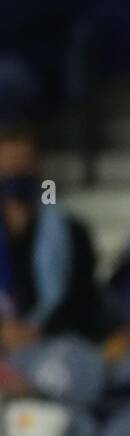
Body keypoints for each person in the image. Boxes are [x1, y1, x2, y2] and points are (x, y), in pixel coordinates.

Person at [0, 122, 100, 340]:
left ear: (38, 168)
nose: (14, 174)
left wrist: (36, 332)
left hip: (54, 342)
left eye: (22, 165)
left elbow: (83, 303)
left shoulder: (72, 232)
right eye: (7, 167)